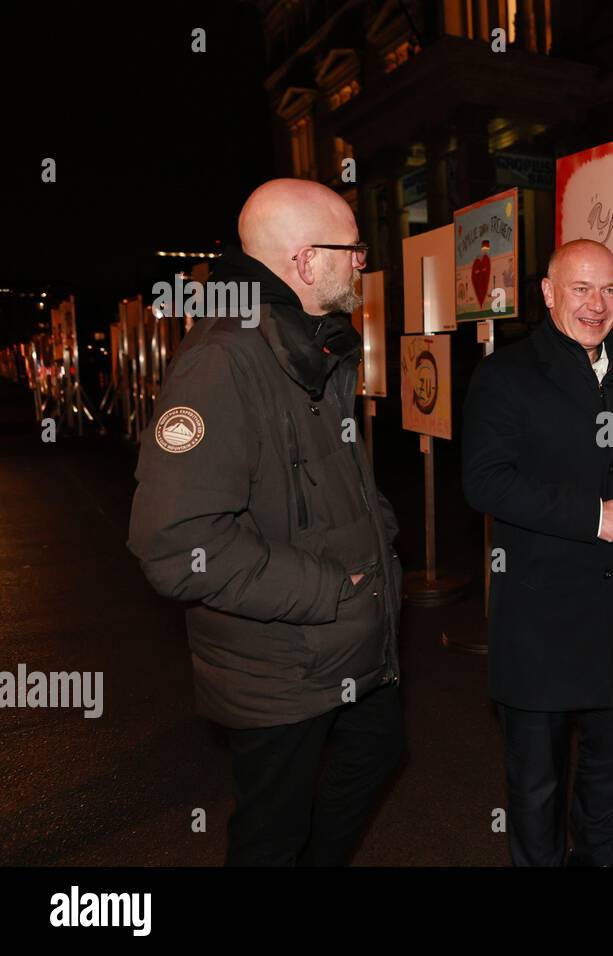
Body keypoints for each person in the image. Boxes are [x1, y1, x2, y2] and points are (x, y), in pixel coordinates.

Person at [127, 178, 404, 866]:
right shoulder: (223, 361)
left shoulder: (306, 341)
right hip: (281, 666)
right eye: (352, 250)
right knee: (269, 837)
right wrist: (331, 587)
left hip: (346, 640)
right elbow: (174, 545)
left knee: (377, 752)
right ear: (306, 261)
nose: (361, 264)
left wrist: (381, 536)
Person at [462, 238, 613, 866]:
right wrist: (592, 517)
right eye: (580, 289)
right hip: (540, 625)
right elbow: (486, 481)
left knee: (608, 779)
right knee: (536, 787)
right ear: (549, 293)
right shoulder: (506, 376)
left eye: (609, 289)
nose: (596, 304)